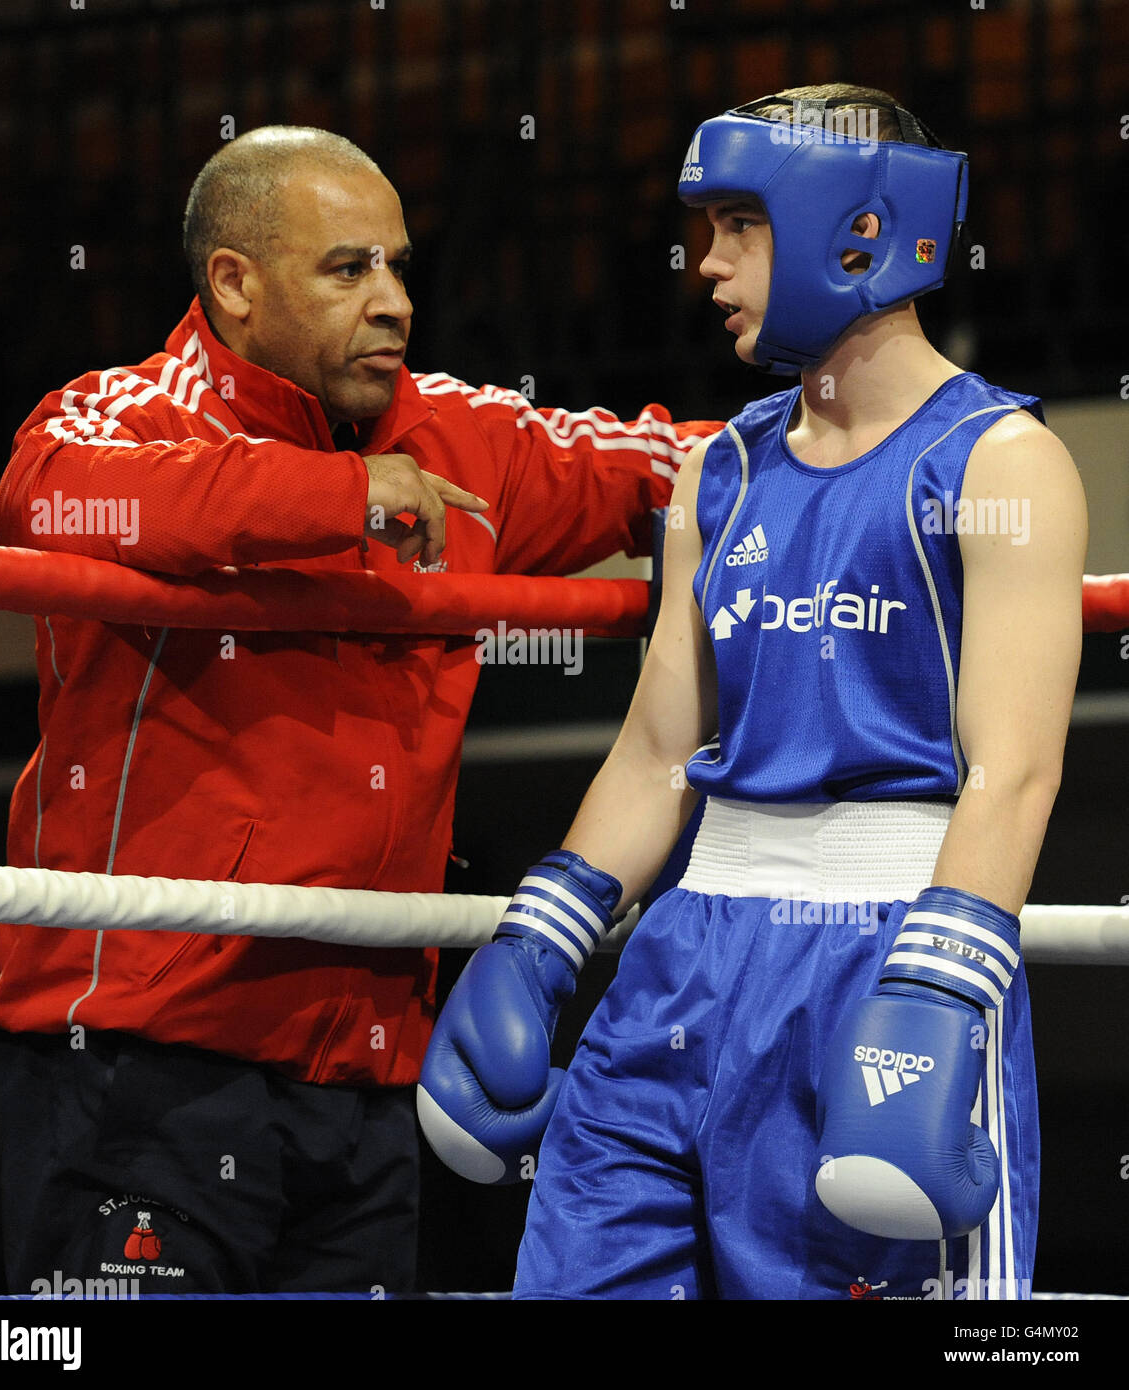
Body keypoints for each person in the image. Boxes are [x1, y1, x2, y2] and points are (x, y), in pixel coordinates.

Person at [0, 125, 717, 1296]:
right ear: (234, 282)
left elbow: (669, 465)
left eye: (400, 267)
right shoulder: (124, 416)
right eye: (348, 268)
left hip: (368, 1070)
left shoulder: (461, 439)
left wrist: (902, 444)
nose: (393, 303)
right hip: (137, 1056)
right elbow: (43, 496)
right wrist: (339, 495)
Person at [418, 85, 1087, 1300]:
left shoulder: (1000, 463)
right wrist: (541, 938)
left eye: (739, 224)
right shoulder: (715, 472)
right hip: (680, 956)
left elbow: (1017, 768)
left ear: (855, 227)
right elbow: (656, 749)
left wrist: (936, 990)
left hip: (888, 951)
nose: (705, 264)